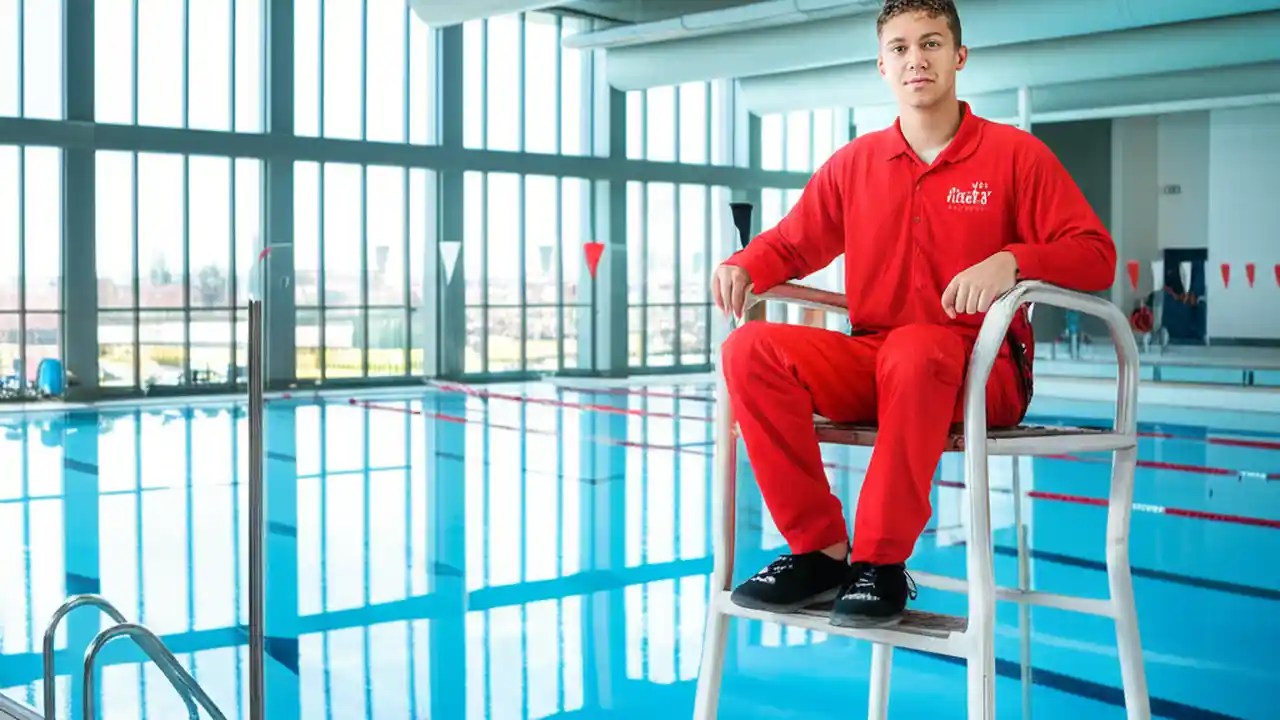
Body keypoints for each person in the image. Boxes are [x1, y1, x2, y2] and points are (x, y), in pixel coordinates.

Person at [710, 0, 1116, 628]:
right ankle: (819, 550)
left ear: (958, 57)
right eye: (899, 47)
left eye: (930, 43)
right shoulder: (856, 164)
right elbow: (793, 243)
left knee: (918, 346)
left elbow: (1095, 257)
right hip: (879, 362)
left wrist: (1011, 260)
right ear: (882, 65)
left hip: (982, 374)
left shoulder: (1015, 156)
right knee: (748, 350)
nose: (915, 59)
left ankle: (879, 561)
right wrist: (747, 264)